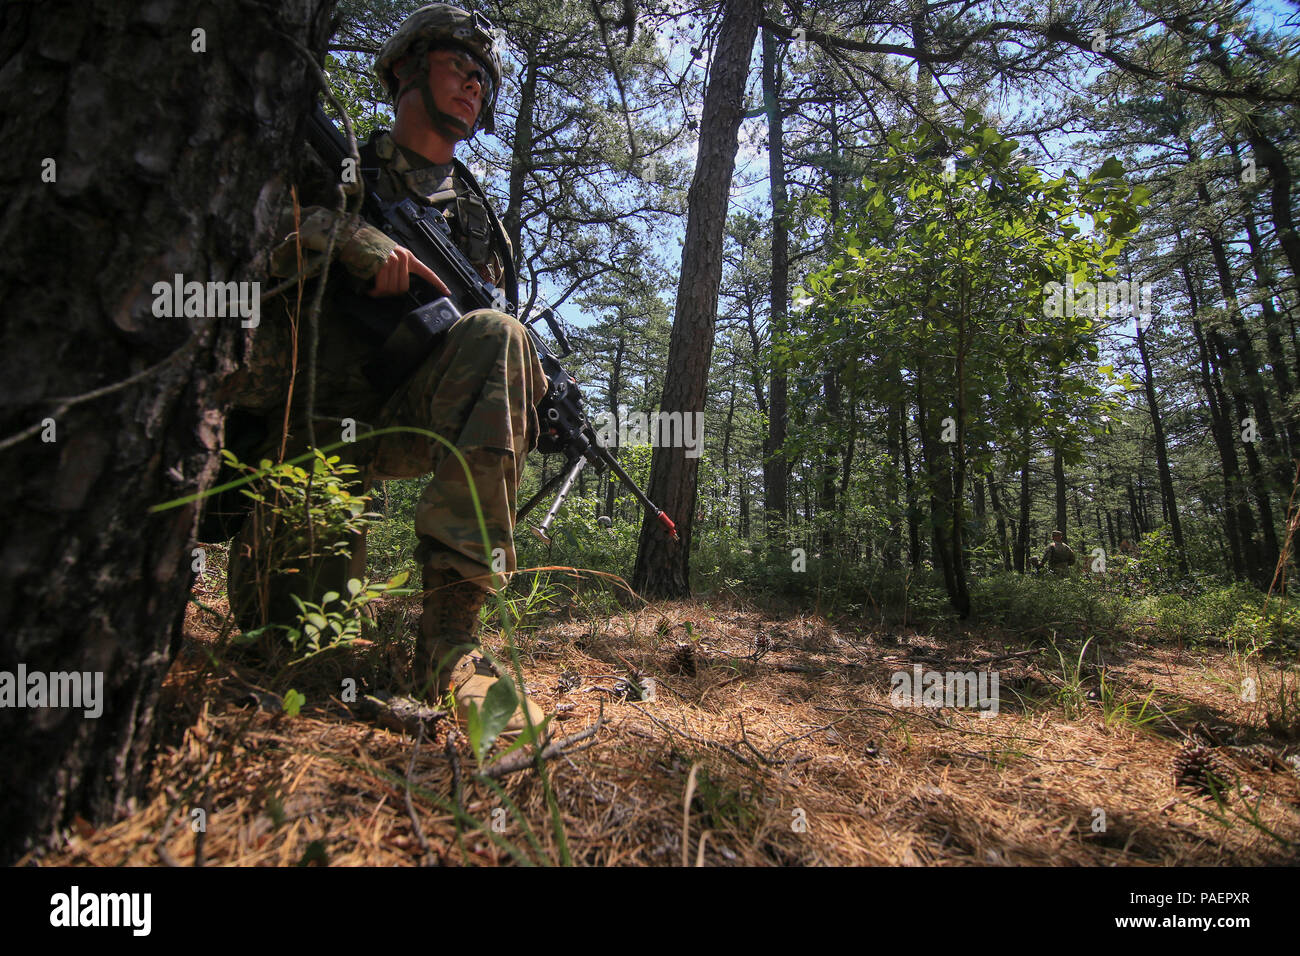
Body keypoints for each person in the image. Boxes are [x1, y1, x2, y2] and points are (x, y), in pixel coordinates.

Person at [218, 4, 544, 730]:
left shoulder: (480, 226)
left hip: (403, 414)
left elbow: (483, 357)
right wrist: (342, 236)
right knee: (300, 651)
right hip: (306, 427)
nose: (474, 84)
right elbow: (246, 235)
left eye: (484, 77)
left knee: (502, 335)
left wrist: (541, 397)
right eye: (459, 63)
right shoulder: (334, 166)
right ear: (406, 68)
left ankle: (452, 640)